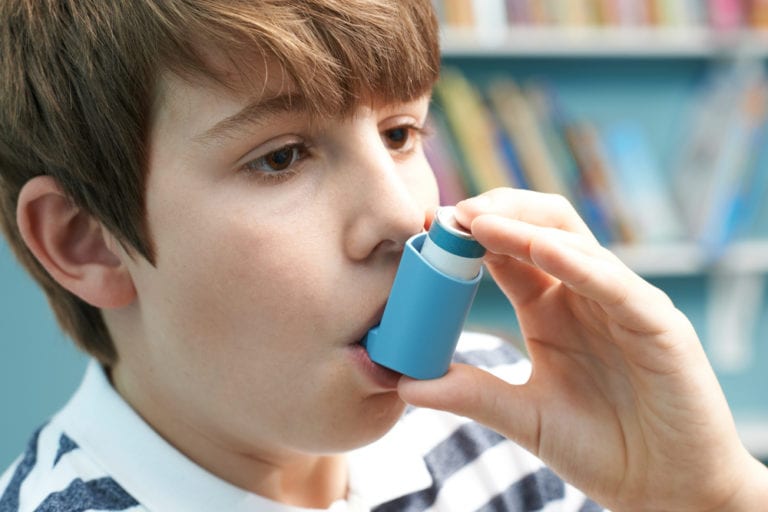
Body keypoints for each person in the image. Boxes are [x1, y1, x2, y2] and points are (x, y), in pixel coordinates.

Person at [0, 1, 766, 510]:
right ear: (87, 239)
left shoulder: (506, 412)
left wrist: (710, 496)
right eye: (281, 158)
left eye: (401, 134)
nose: (408, 214)